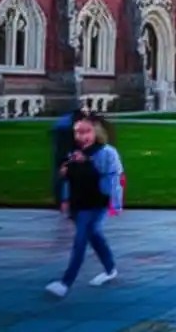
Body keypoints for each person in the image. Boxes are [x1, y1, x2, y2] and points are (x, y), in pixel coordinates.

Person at [45, 116, 123, 298]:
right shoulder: (74, 154)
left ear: (96, 132)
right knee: (94, 235)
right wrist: (65, 198)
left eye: (86, 131)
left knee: (80, 240)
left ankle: (65, 283)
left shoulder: (106, 153)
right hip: (79, 204)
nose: (82, 136)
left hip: (98, 202)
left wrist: (116, 204)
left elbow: (114, 178)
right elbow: (69, 181)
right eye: (77, 132)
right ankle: (110, 269)